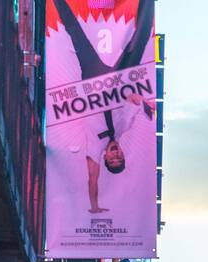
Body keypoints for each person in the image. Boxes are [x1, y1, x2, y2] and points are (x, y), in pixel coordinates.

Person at [50, 0, 157, 212]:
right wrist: (143, 103)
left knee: (76, 32)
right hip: (119, 78)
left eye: (113, 159)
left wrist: (95, 206)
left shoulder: (94, 148)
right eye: (120, 157)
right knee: (142, 37)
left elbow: (92, 180)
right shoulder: (124, 126)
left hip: (93, 79)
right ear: (123, 154)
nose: (116, 155)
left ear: (106, 158)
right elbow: (133, 98)